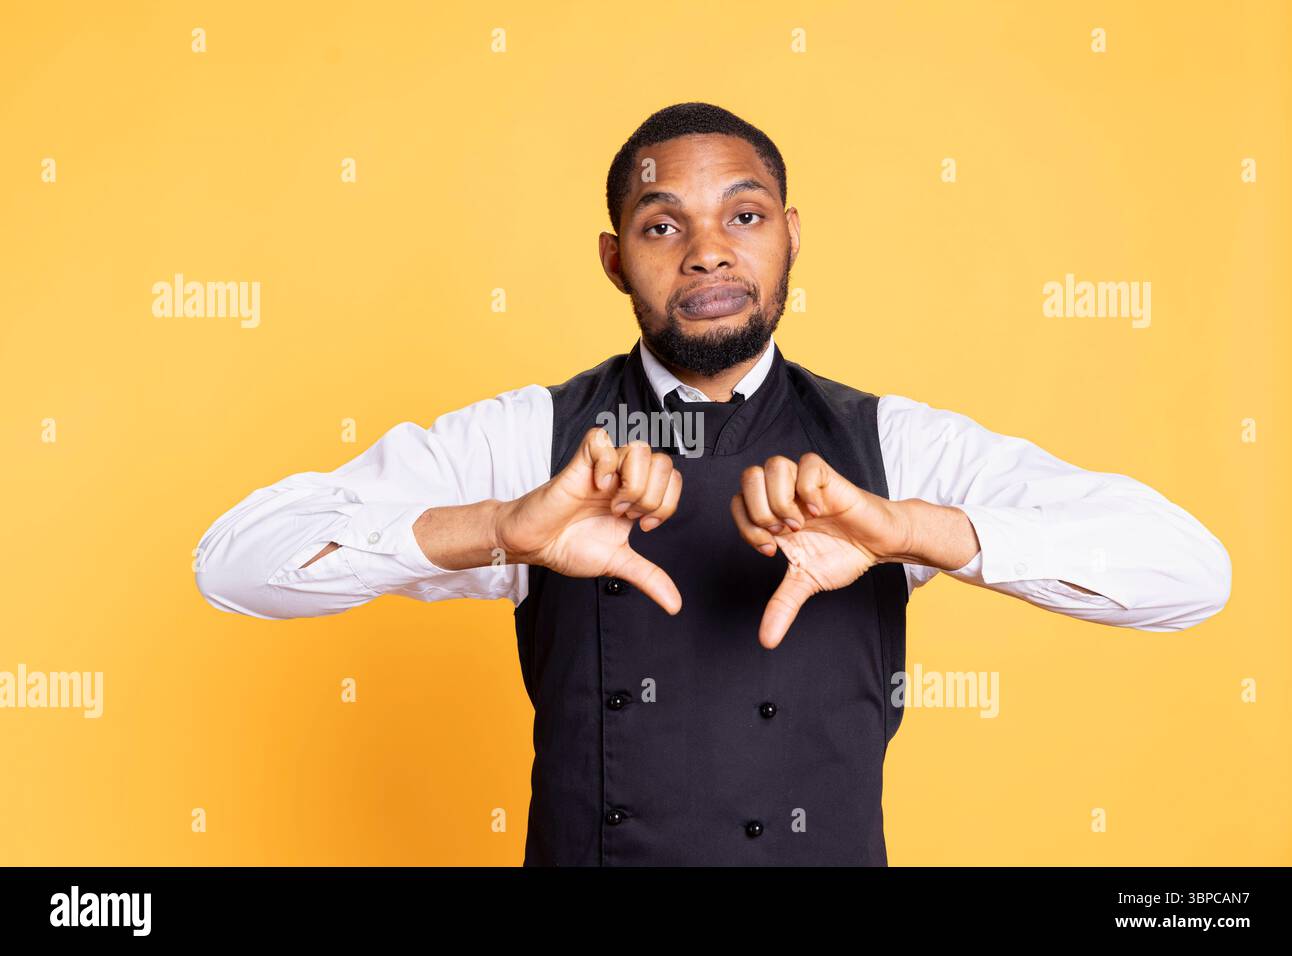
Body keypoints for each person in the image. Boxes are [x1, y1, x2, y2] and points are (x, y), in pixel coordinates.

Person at [194, 102, 1232, 866]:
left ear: (789, 235)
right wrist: (502, 527)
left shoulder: (891, 446)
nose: (705, 253)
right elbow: (231, 563)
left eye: (743, 217)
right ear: (614, 258)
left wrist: (914, 531)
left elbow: (1193, 573)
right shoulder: (529, 439)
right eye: (661, 225)